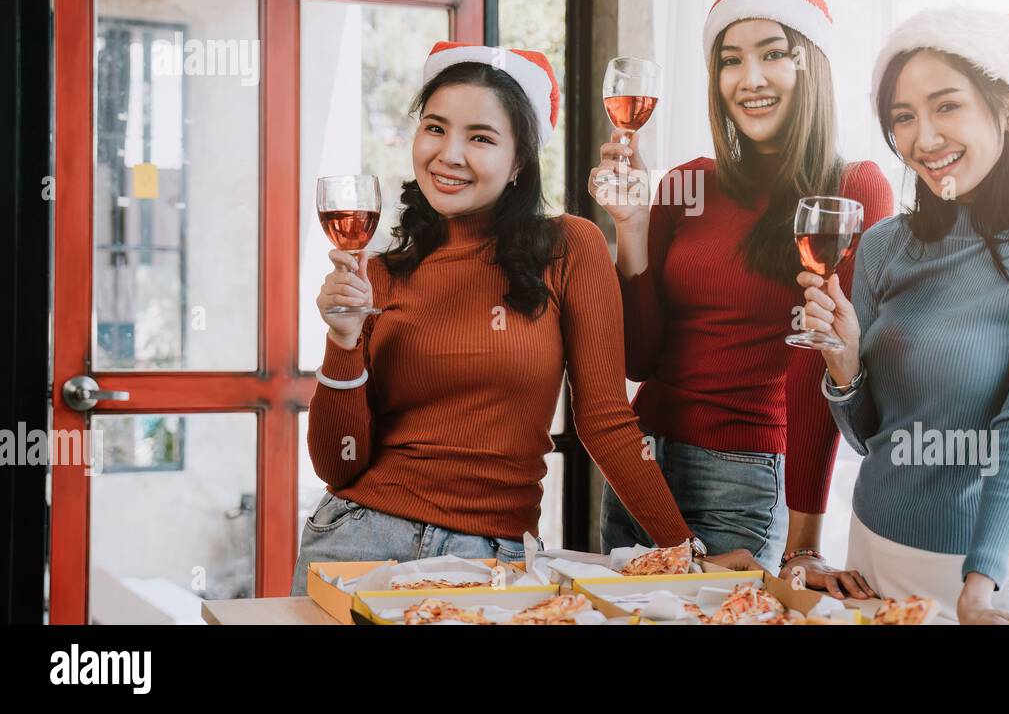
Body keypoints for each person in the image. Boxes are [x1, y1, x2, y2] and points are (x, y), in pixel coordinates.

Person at [291, 42, 755, 596]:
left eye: (480, 137)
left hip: (488, 562)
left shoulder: (568, 249)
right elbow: (337, 466)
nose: (449, 154)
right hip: (356, 543)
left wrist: (686, 552)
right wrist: (342, 341)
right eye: (435, 128)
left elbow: (606, 422)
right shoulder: (380, 275)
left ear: (518, 163)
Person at [798, 7, 1009, 622]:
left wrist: (980, 580)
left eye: (946, 106)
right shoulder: (887, 244)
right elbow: (870, 438)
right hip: (867, 560)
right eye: (903, 118)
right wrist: (842, 366)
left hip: (977, 577)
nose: (924, 138)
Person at [590, 0, 893, 596]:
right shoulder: (686, 183)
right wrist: (632, 228)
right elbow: (641, 358)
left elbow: (821, 365)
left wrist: (804, 545)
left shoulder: (850, 190)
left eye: (772, 54)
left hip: (743, 478)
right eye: (730, 59)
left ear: (809, 63)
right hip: (638, 467)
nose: (748, 78)